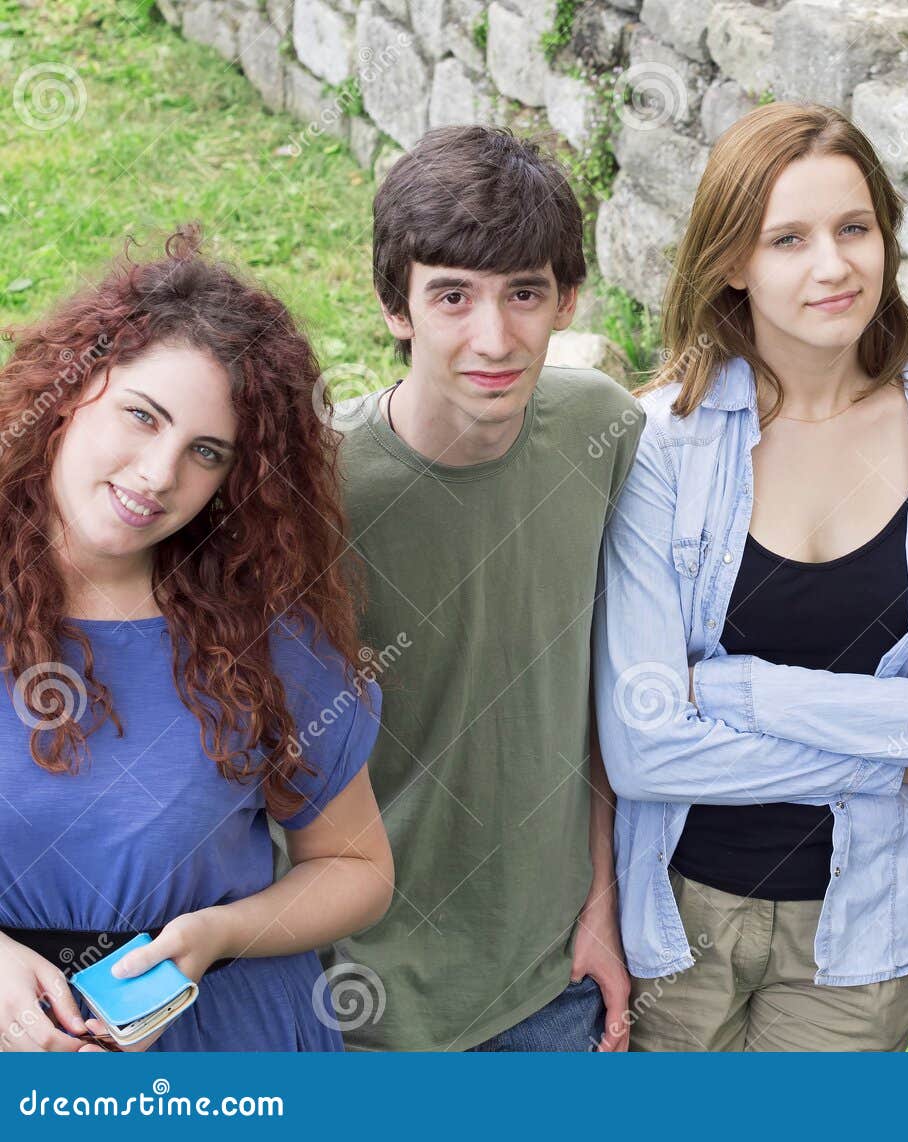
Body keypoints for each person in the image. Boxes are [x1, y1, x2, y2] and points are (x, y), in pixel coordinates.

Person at [593, 102, 908, 1052]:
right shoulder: (663, 444)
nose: (833, 267)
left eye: (854, 229)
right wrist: (896, 753)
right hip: (677, 921)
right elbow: (641, 750)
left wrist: (736, 690)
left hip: (865, 935)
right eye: (787, 239)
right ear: (731, 263)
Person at [0, 230, 392, 1052]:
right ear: (72, 390)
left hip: (221, 1045)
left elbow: (357, 870)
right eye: (141, 417)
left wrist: (222, 933)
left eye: (205, 452)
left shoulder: (265, 640)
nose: (156, 475)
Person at [329, 126, 640, 1051]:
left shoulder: (603, 432)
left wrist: (600, 909)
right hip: (357, 1000)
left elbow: (605, 699)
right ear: (397, 307)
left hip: (550, 981)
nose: (494, 337)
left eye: (525, 294)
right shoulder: (318, 493)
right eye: (452, 296)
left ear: (566, 300)